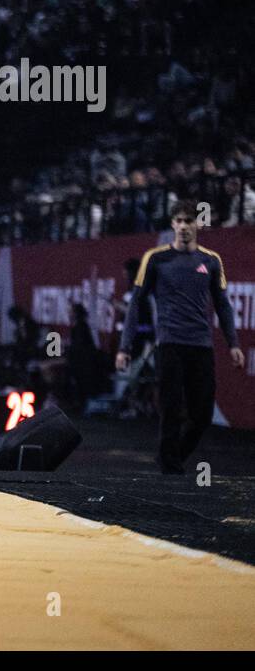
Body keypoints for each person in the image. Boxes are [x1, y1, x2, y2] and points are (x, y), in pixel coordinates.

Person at [117, 200, 243, 474]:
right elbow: (136, 303)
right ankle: (169, 465)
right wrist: (124, 348)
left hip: (200, 345)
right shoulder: (156, 258)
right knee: (171, 407)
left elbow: (222, 304)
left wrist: (233, 343)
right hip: (170, 343)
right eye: (180, 221)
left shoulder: (211, 260)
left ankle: (173, 457)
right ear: (173, 224)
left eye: (189, 221)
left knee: (202, 415)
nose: (184, 226)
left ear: (198, 224)